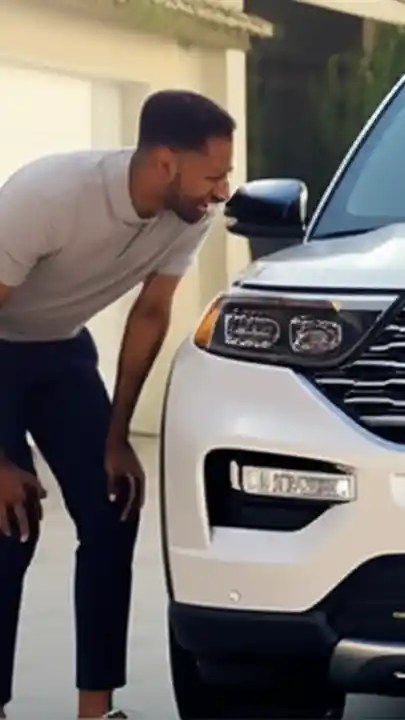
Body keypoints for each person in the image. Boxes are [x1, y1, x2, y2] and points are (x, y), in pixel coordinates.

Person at [0, 90, 234, 718]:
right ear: (165, 162)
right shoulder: (48, 196)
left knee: (112, 507)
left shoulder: (190, 215)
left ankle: (95, 711)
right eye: (213, 175)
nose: (223, 190)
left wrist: (116, 436)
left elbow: (151, 313)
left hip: (59, 353)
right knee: (8, 523)